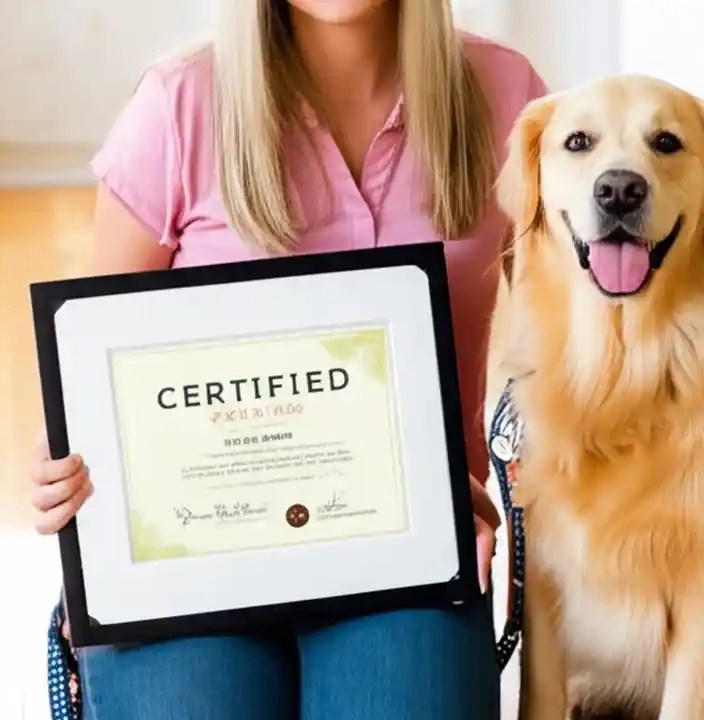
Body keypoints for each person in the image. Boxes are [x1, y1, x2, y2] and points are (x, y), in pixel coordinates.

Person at [29, 1, 547, 717]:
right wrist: (60, 462)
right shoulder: (177, 106)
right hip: (185, 563)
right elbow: (90, 371)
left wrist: (478, 481)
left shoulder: (510, 95)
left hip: (405, 555)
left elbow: (575, 340)